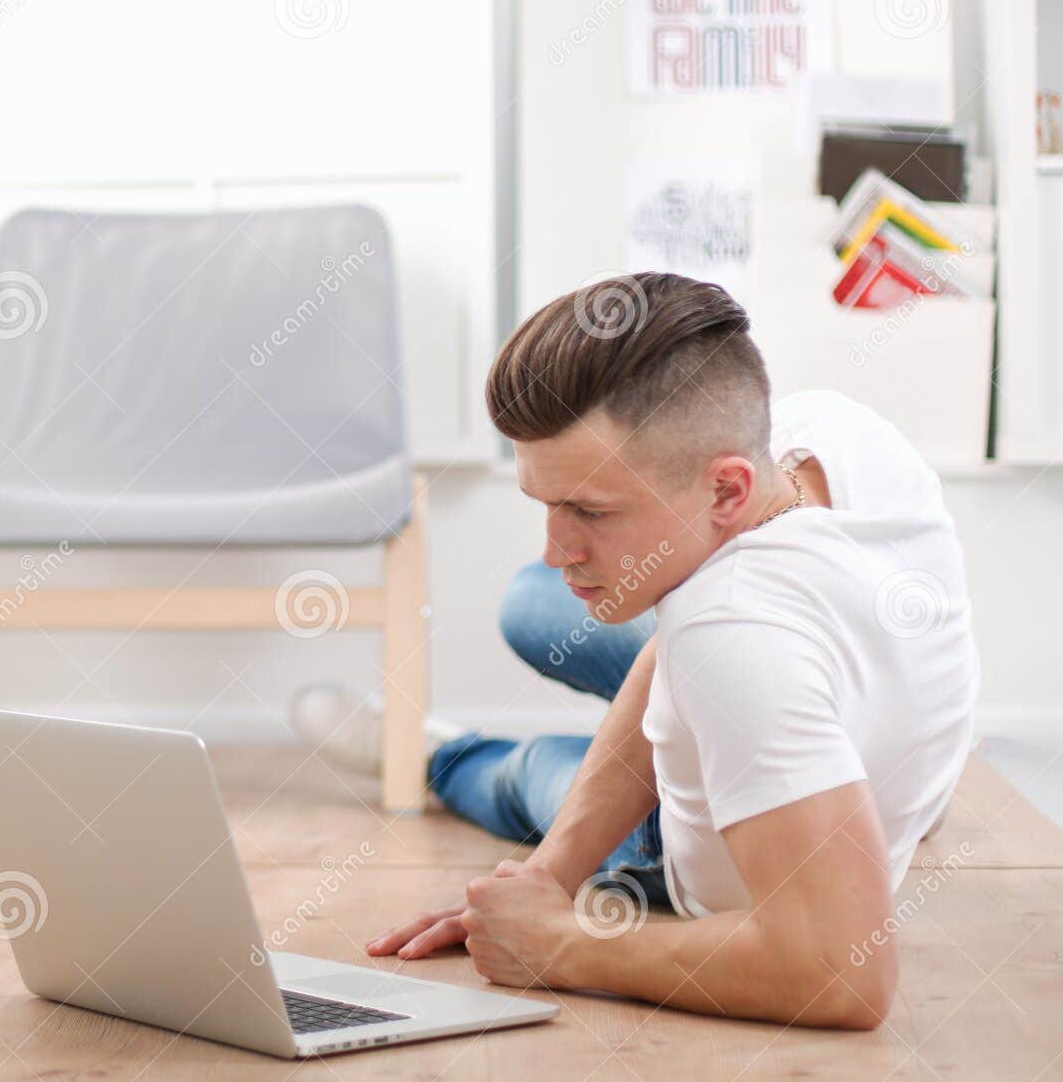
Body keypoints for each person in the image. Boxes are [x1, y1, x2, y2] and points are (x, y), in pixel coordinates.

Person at [292, 273, 979, 1028]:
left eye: (588, 510)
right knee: (535, 602)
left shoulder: (733, 635)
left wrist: (555, 942)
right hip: (877, 725)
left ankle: (442, 757)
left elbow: (845, 975)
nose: (557, 547)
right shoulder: (831, 431)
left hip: (702, 864)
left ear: (727, 490)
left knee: (526, 779)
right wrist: (549, 875)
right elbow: (689, 644)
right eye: (548, 504)